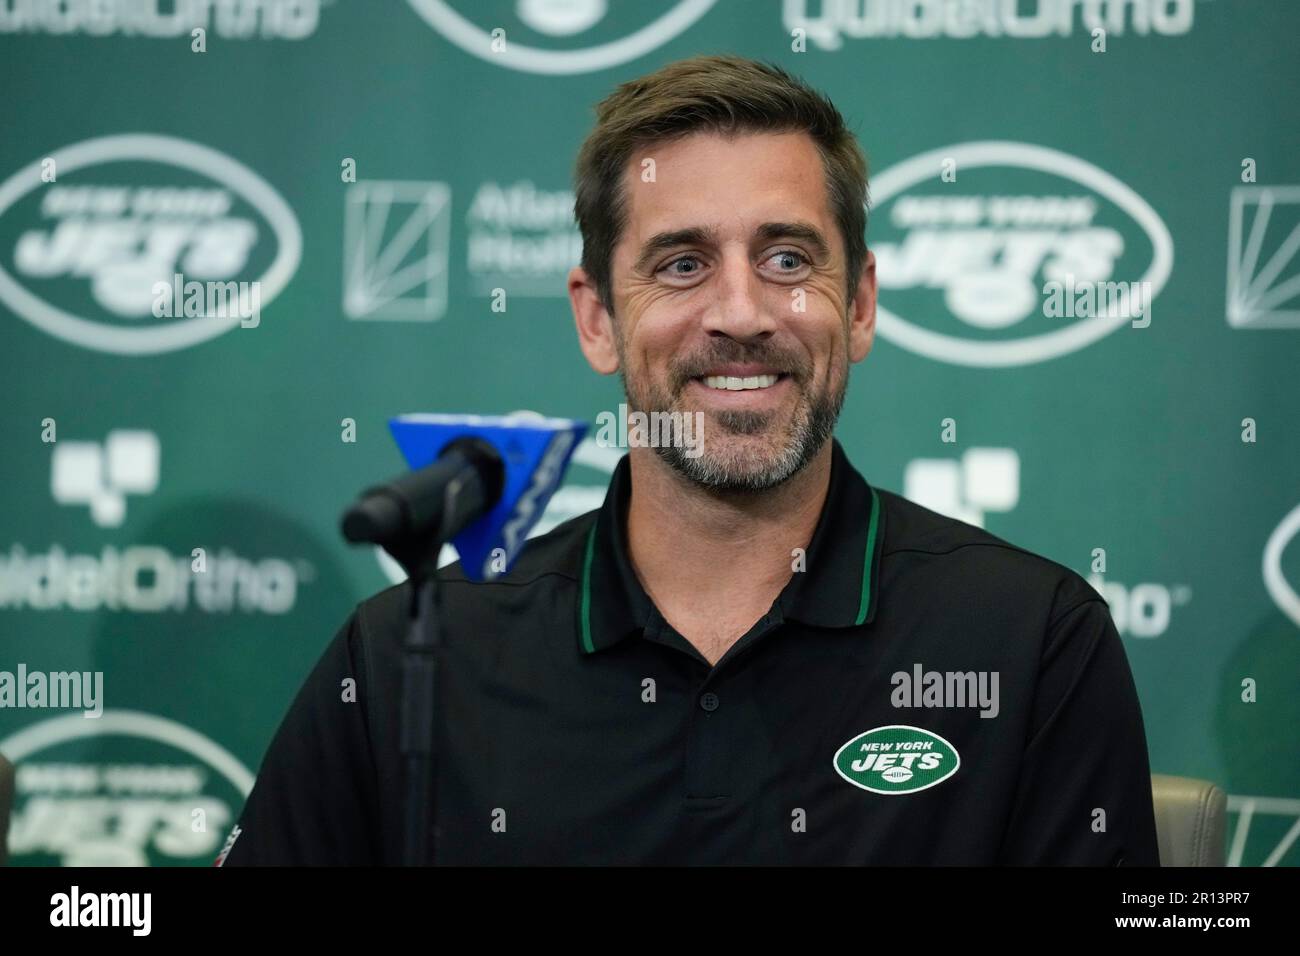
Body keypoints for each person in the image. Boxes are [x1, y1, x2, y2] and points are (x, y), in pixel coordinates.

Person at [218, 54, 1160, 866]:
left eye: (787, 260)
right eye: (681, 264)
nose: (741, 313)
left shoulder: (1031, 640)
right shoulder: (412, 658)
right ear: (598, 318)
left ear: (861, 304)